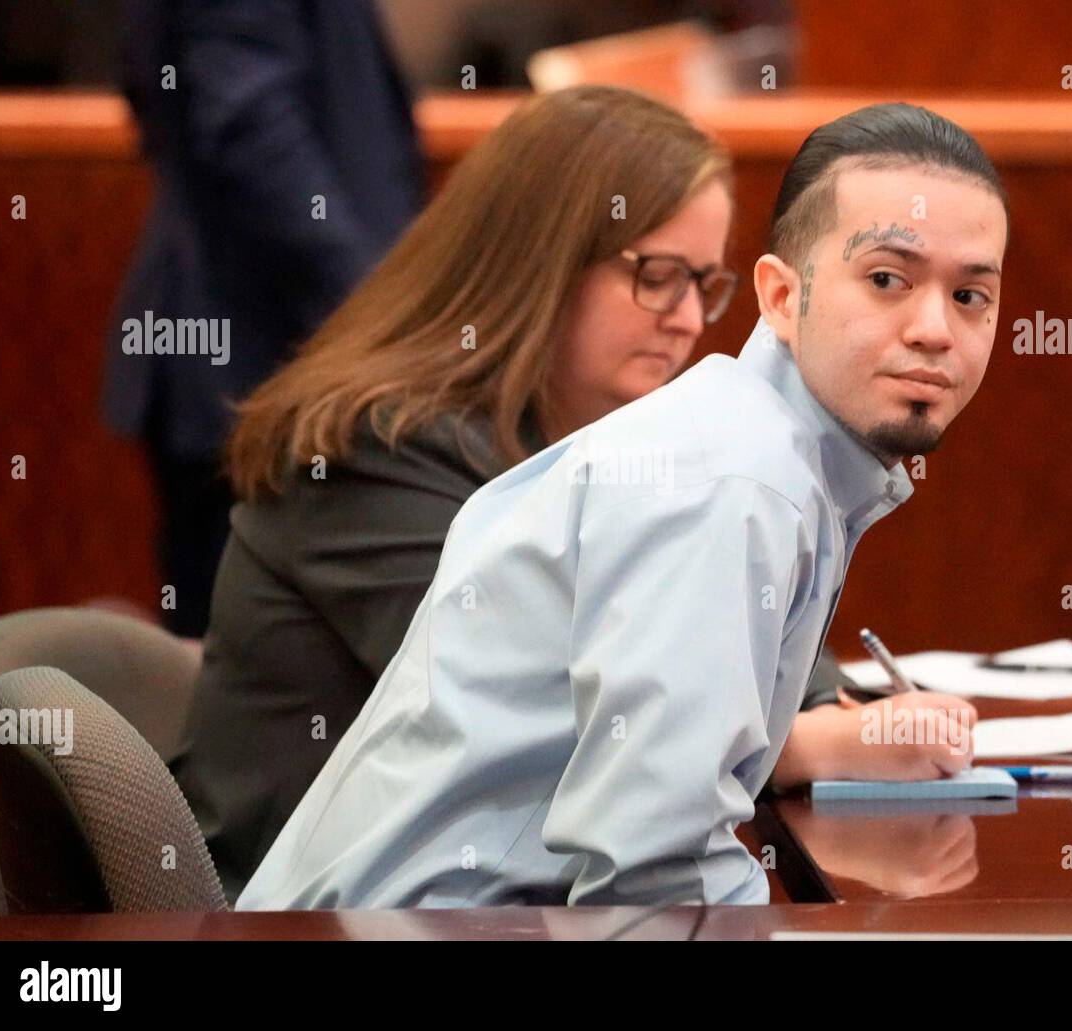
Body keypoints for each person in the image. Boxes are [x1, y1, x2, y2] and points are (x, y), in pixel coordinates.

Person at [235, 101, 1006, 910]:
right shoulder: (730, 481)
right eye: (887, 278)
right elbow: (655, 887)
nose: (933, 329)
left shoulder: (763, 459)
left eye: (970, 296)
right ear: (781, 297)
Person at [173, 85, 739, 901]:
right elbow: (570, 704)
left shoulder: (586, 444)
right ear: (539, 260)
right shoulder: (373, 447)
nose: (688, 319)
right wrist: (809, 740)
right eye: (658, 276)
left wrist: (827, 697)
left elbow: (699, 618)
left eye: (705, 284)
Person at [103, 0, 425, 636]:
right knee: (240, 668)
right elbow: (251, 133)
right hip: (256, 356)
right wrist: (382, 313)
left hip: (274, 354)